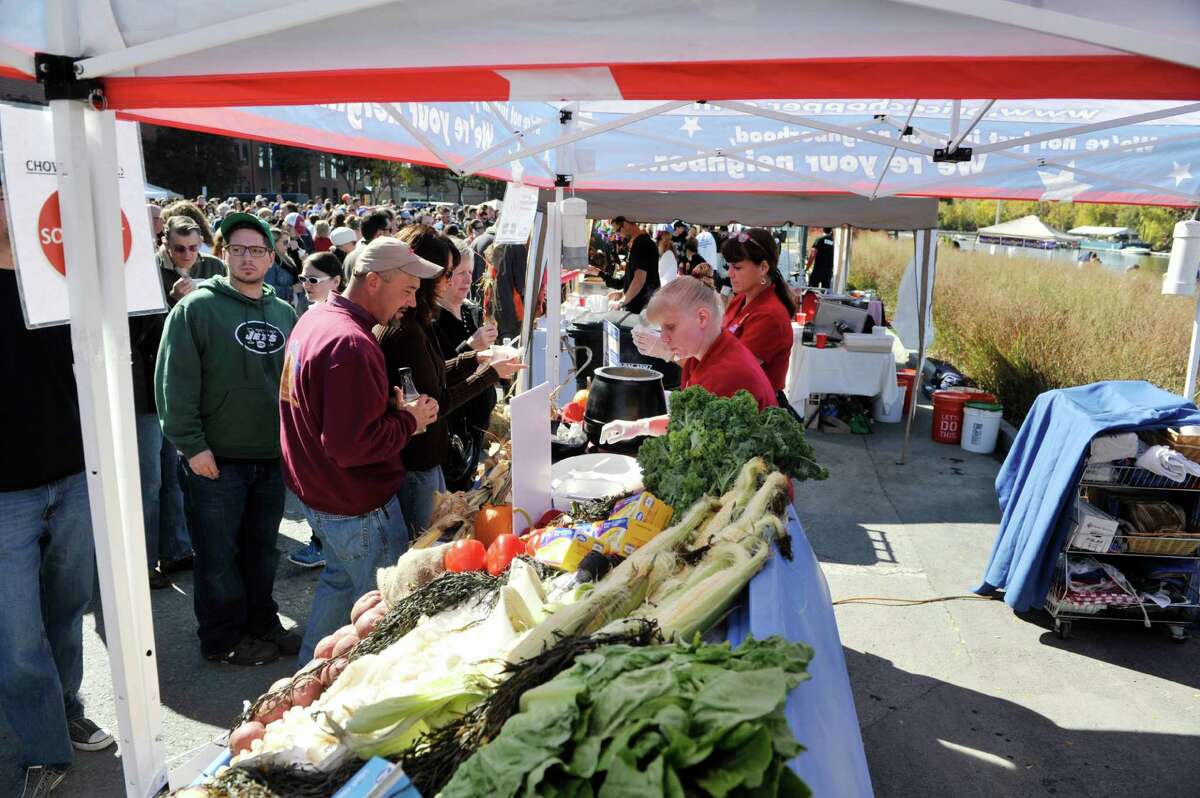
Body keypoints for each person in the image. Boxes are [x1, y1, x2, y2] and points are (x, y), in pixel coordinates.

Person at [1, 186, 116, 797]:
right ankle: (42, 746)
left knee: (65, 610)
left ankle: (64, 706)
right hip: (6, 495)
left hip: (75, 477)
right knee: (17, 633)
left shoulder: (61, 278)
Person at [280, 238, 441, 664]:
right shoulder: (350, 343)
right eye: (407, 290)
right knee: (381, 608)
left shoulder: (316, 318)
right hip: (355, 504)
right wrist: (410, 421)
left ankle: (305, 679)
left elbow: (325, 413)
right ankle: (326, 695)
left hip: (322, 495)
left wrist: (384, 409)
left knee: (338, 583)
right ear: (373, 281)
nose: (411, 302)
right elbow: (352, 447)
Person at [155, 212, 299, 666]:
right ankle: (221, 639)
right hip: (215, 460)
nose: (247, 258)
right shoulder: (195, 308)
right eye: (237, 249)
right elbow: (173, 383)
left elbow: (292, 386)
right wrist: (192, 446)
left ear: (271, 256)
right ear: (223, 254)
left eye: (256, 250)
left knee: (261, 552)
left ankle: (261, 621)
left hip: (268, 459)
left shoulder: (284, 312)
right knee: (217, 558)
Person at [376, 227, 523, 532]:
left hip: (428, 459)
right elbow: (436, 403)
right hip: (417, 461)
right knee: (428, 540)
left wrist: (475, 359)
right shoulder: (406, 329)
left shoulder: (418, 321)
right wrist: (490, 373)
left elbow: (434, 373)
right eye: (447, 273)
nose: (450, 281)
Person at [600, 277, 776, 446]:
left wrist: (641, 427)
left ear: (702, 318)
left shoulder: (725, 373)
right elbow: (687, 419)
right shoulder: (702, 356)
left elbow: (698, 443)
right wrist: (638, 427)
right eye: (661, 328)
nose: (664, 338)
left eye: (670, 327)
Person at [432, 242, 500, 491]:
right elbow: (439, 373)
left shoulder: (471, 311)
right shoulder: (433, 319)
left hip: (477, 423)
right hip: (453, 431)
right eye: (460, 272)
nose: (468, 279)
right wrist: (470, 347)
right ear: (444, 276)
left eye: (471, 272)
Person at [716, 228, 796, 392]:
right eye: (728, 266)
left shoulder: (769, 315)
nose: (729, 273)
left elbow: (734, 370)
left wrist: (677, 356)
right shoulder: (740, 299)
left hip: (756, 407)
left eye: (737, 268)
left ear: (763, 268)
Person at [158, 215, 224, 307]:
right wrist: (173, 299)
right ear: (166, 244)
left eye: (193, 248)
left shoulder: (215, 265)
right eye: (179, 249)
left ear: (201, 242)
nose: (187, 255)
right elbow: (145, 319)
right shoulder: (152, 271)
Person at [607, 216, 660, 314]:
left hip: (641, 307)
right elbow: (631, 277)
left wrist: (622, 301)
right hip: (641, 304)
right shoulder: (639, 243)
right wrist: (622, 294)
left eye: (618, 230)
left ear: (625, 224)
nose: (619, 235)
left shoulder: (641, 244)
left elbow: (639, 279)